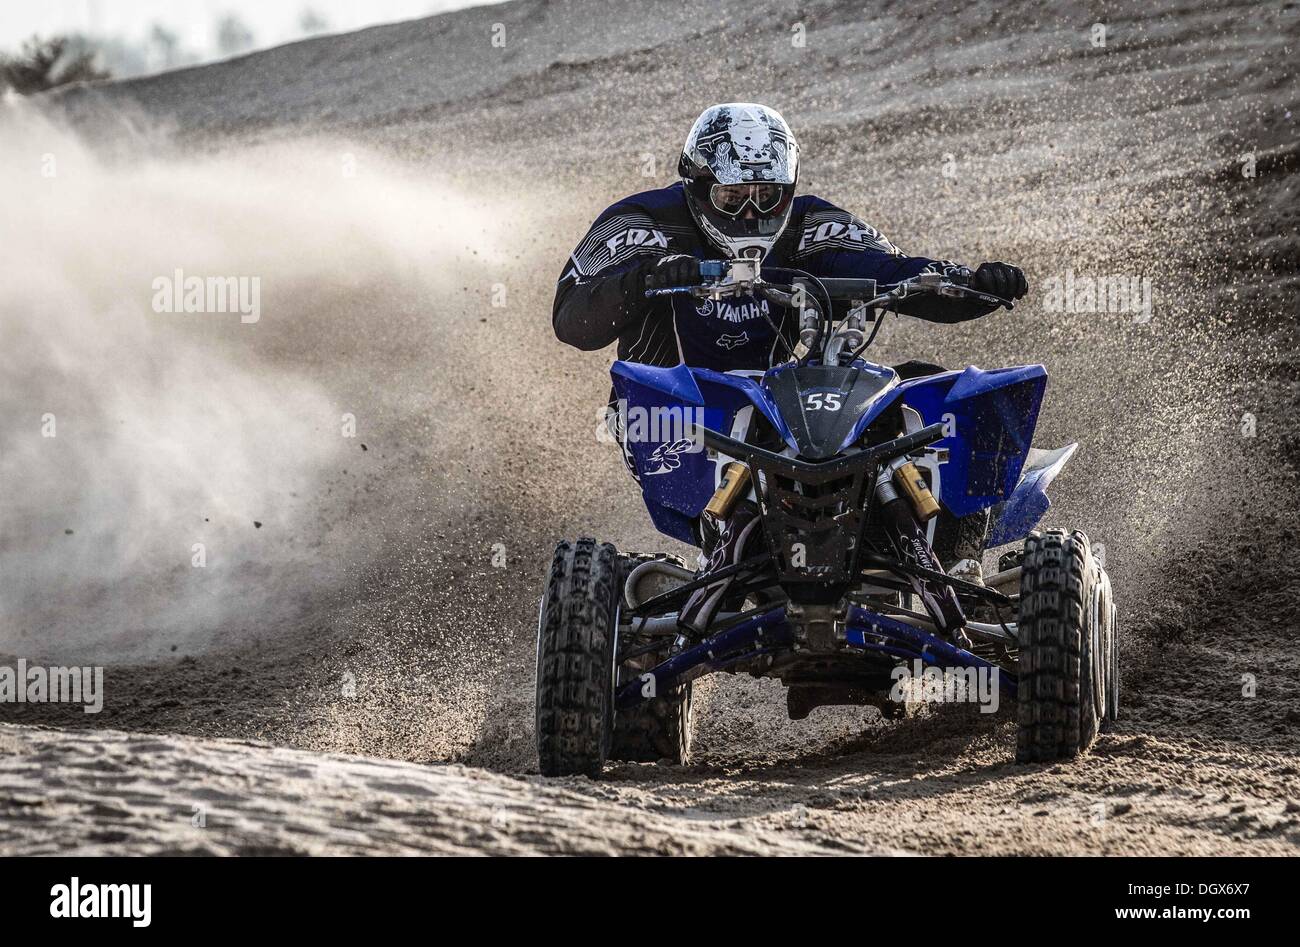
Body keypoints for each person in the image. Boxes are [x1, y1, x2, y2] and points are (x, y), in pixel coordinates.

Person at [552, 103, 1028, 632]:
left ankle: (959, 562)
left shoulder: (811, 224)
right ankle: (721, 567)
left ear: (789, 186)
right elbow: (572, 320)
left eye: (767, 196)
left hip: (800, 401)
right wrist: (642, 278)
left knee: (934, 390)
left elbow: (894, 272)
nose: (752, 214)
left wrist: (975, 285)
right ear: (697, 184)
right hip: (678, 408)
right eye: (732, 198)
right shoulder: (640, 223)